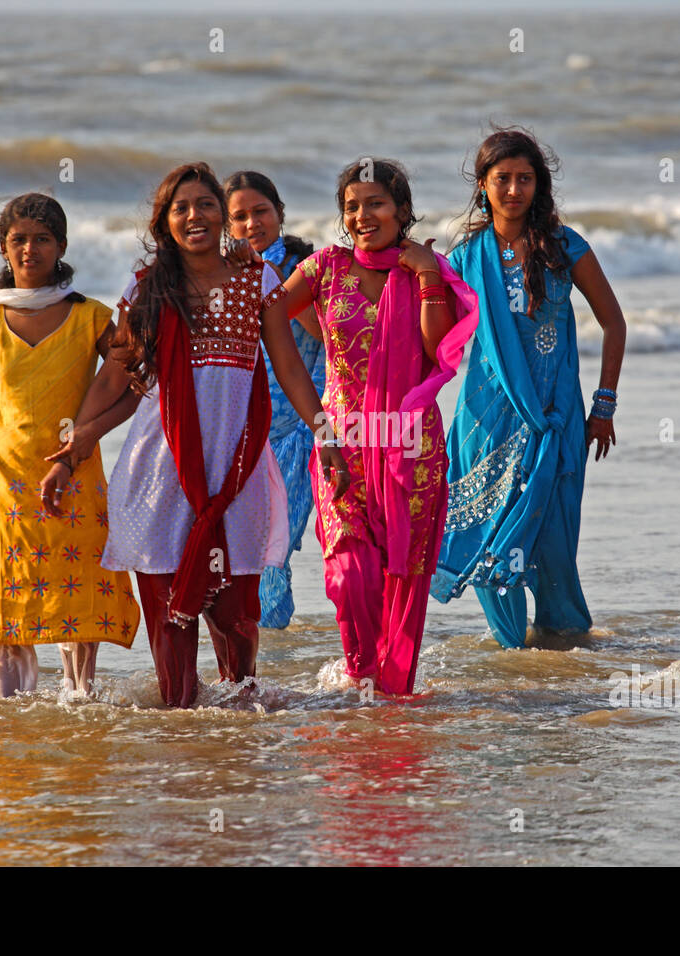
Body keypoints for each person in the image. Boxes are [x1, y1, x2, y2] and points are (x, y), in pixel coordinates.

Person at [40, 163, 347, 708]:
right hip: (160, 471)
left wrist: (326, 433)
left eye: (206, 204)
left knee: (238, 622)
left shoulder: (258, 280)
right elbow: (117, 374)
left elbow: (291, 369)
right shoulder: (148, 289)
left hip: (238, 468)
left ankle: (236, 736)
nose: (194, 216)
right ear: (165, 222)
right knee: (168, 621)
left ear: (223, 217)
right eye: (180, 208)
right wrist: (76, 440)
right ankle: (181, 731)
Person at [0, 192, 139, 699]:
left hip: (75, 471)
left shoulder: (91, 317)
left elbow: (131, 385)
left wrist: (85, 440)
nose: (30, 250)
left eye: (42, 239)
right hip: (3, 479)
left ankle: (79, 696)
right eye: (19, 240)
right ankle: (13, 705)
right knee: (6, 594)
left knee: (77, 584)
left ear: (61, 245)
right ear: (3, 248)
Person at [281, 157, 478, 696]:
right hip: (339, 446)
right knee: (351, 575)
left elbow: (437, 349)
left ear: (402, 210)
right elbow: (268, 317)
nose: (362, 215)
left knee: (401, 577)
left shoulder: (426, 273)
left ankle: (389, 696)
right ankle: (361, 675)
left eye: (375, 203)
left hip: (410, 446)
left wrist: (429, 274)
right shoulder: (324, 269)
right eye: (351, 206)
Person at [430, 128, 627, 650]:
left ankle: (561, 651)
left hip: (555, 418)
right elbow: (434, 336)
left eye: (525, 179)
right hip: (486, 420)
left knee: (554, 546)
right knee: (493, 546)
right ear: (483, 186)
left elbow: (613, 322)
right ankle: (513, 655)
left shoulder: (566, 248)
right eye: (503, 179)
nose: (514, 189)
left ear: (540, 185)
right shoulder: (465, 258)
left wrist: (603, 406)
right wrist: (422, 273)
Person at [224, 171, 325, 628]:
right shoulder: (224, 277)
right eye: (239, 217)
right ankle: (268, 647)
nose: (252, 224)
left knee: (272, 551)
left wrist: (277, 284)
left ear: (279, 213)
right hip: (248, 435)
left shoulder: (304, 268)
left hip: (304, 430)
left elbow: (323, 337)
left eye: (260, 211)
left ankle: (270, 649)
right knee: (246, 551)